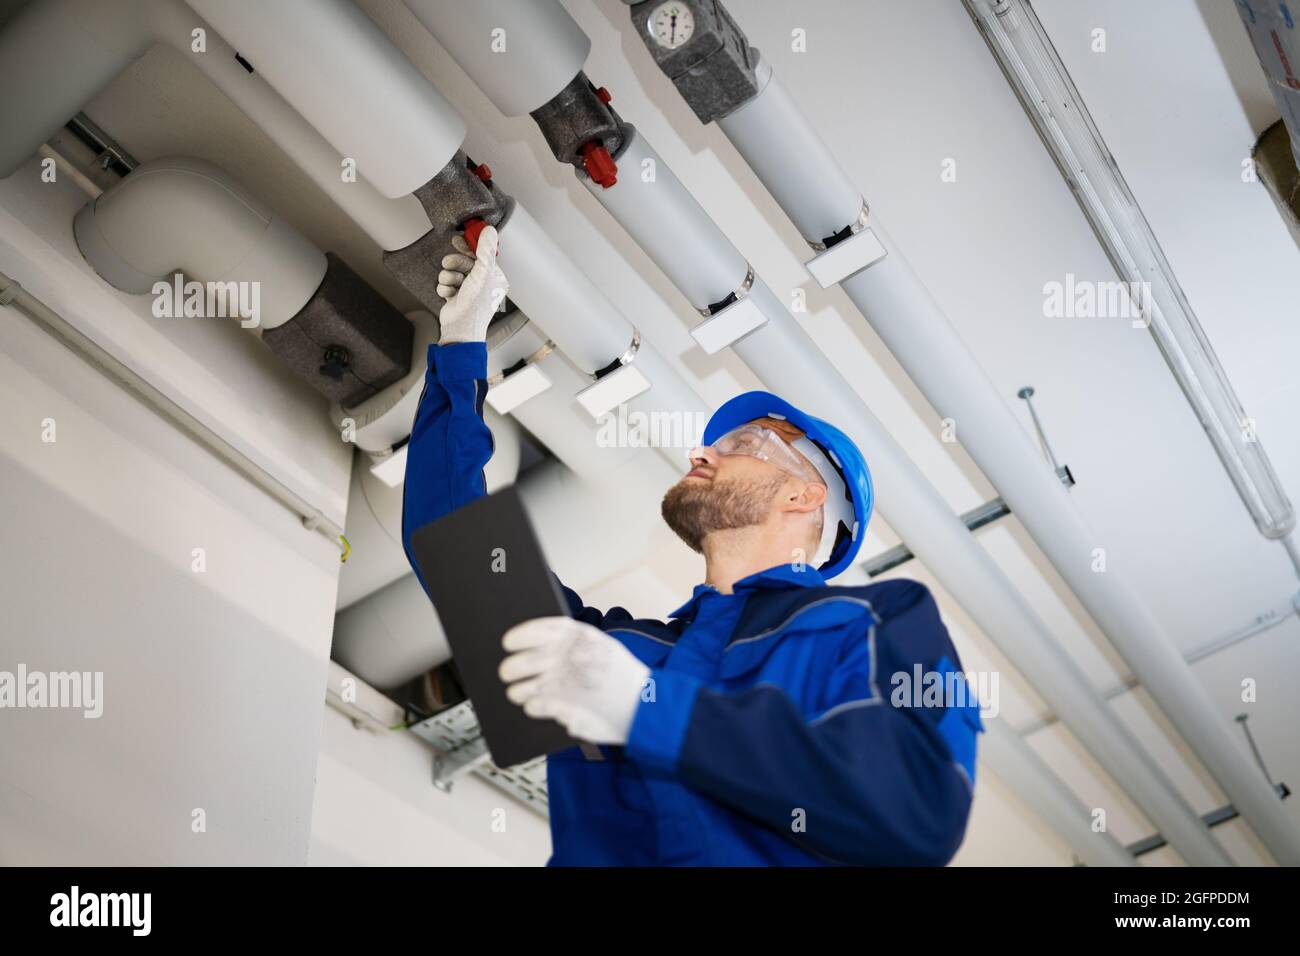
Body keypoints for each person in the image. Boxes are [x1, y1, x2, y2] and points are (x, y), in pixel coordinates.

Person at [402, 226, 983, 866]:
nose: (702, 452)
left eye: (741, 445)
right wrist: (460, 350)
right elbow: (455, 547)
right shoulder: (615, 651)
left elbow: (917, 810)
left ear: (805, 495)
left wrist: (649, 714)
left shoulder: (878, 623)